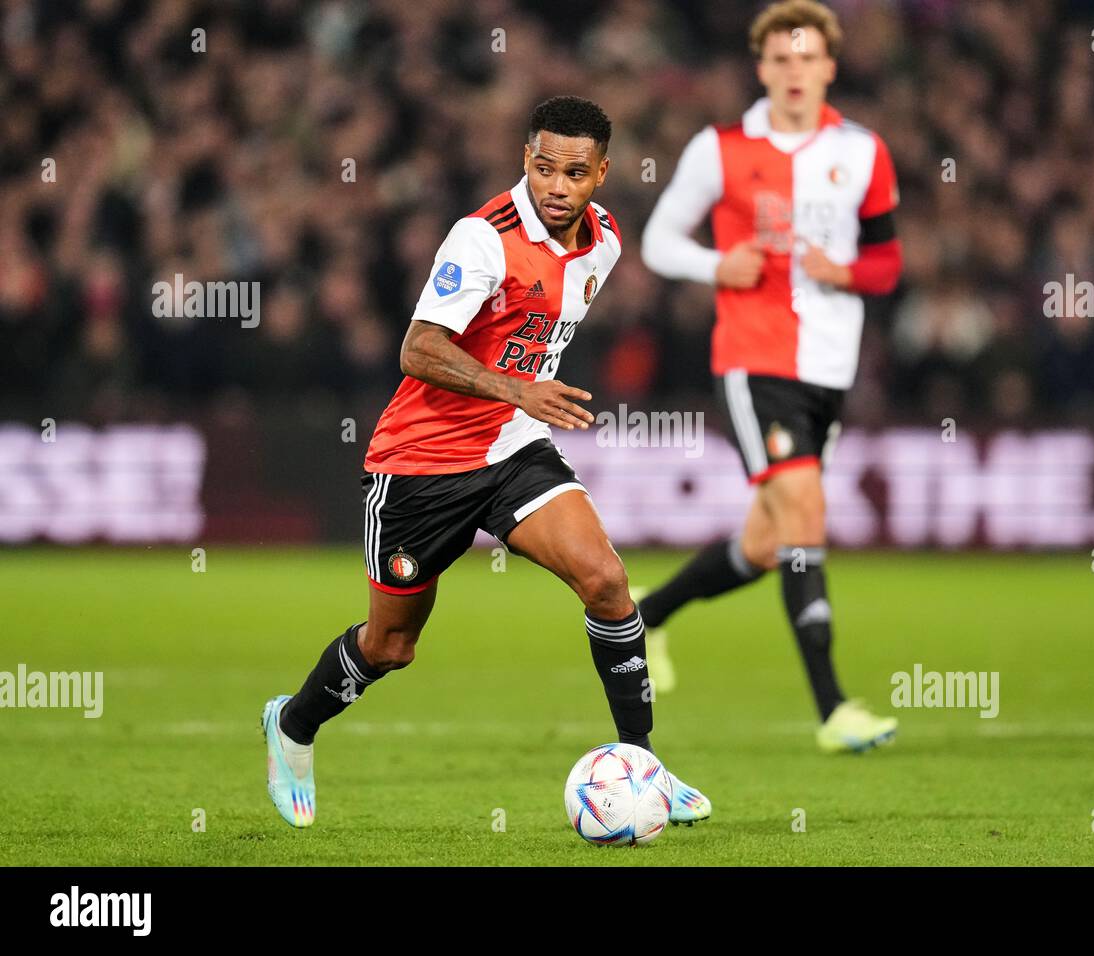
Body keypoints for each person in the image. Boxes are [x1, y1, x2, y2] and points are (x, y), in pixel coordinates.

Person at [262, 96, 710, 827]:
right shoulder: (482, 239)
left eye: (573, 171)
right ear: (523, 162)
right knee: (392, 645)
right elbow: (418, 349)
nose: (556, 186)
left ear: (601, 172)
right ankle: (292, 727)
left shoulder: (604, 242)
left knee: (606, 581)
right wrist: (516, 388)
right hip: (421, 464)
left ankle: (645, 767)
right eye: (542, 167)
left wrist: (516, 403)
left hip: (512, 446)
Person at [637, 1, 904, 753]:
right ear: (762, 68)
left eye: (806, 58)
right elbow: (658, 240)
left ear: (829, 66)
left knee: (763, 546)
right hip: (754, 363)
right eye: (780, 60)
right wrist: (716, 264)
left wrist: (843, 270)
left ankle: (647, 615)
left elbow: (887, 262)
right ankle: (833, 709)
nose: (794, 72)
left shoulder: (862, 152)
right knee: (806, 513)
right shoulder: (719, 149)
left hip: (829, 369)